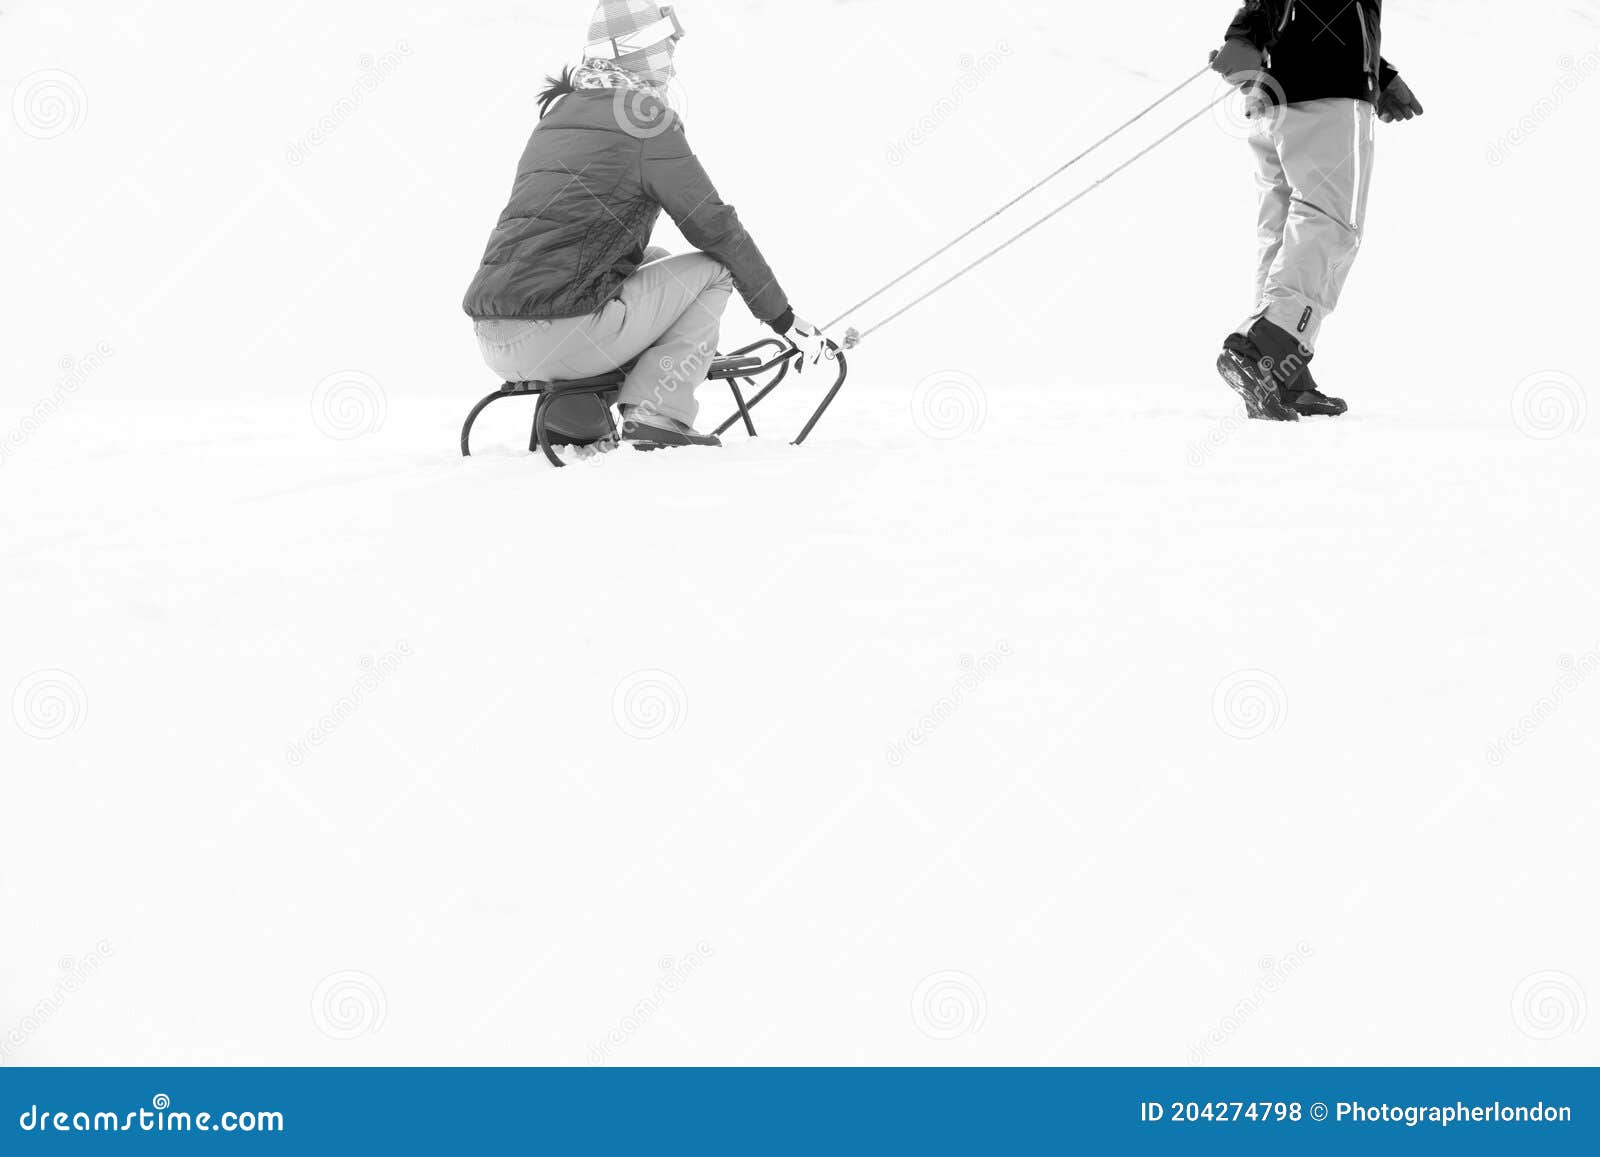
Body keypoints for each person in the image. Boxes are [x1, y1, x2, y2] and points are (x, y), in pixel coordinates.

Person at [462, 2, 831, 449]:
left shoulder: (557, 117)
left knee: (651, 262)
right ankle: (659, 414)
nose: (673, 67)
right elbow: (714, 225)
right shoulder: (644, 120)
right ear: (637, 53)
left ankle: (576, 415)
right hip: (559, 335)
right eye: (665, 50)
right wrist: (782, 318)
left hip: (494, 339)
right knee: (713, 271)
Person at [1210, 0, 1423, 420]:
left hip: (1279, 86)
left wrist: (1377, 73)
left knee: (1286, 225)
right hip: (1325, 89)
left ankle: (1277, 372)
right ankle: (1267, 349)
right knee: (1330, 221)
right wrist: (1245, 34)